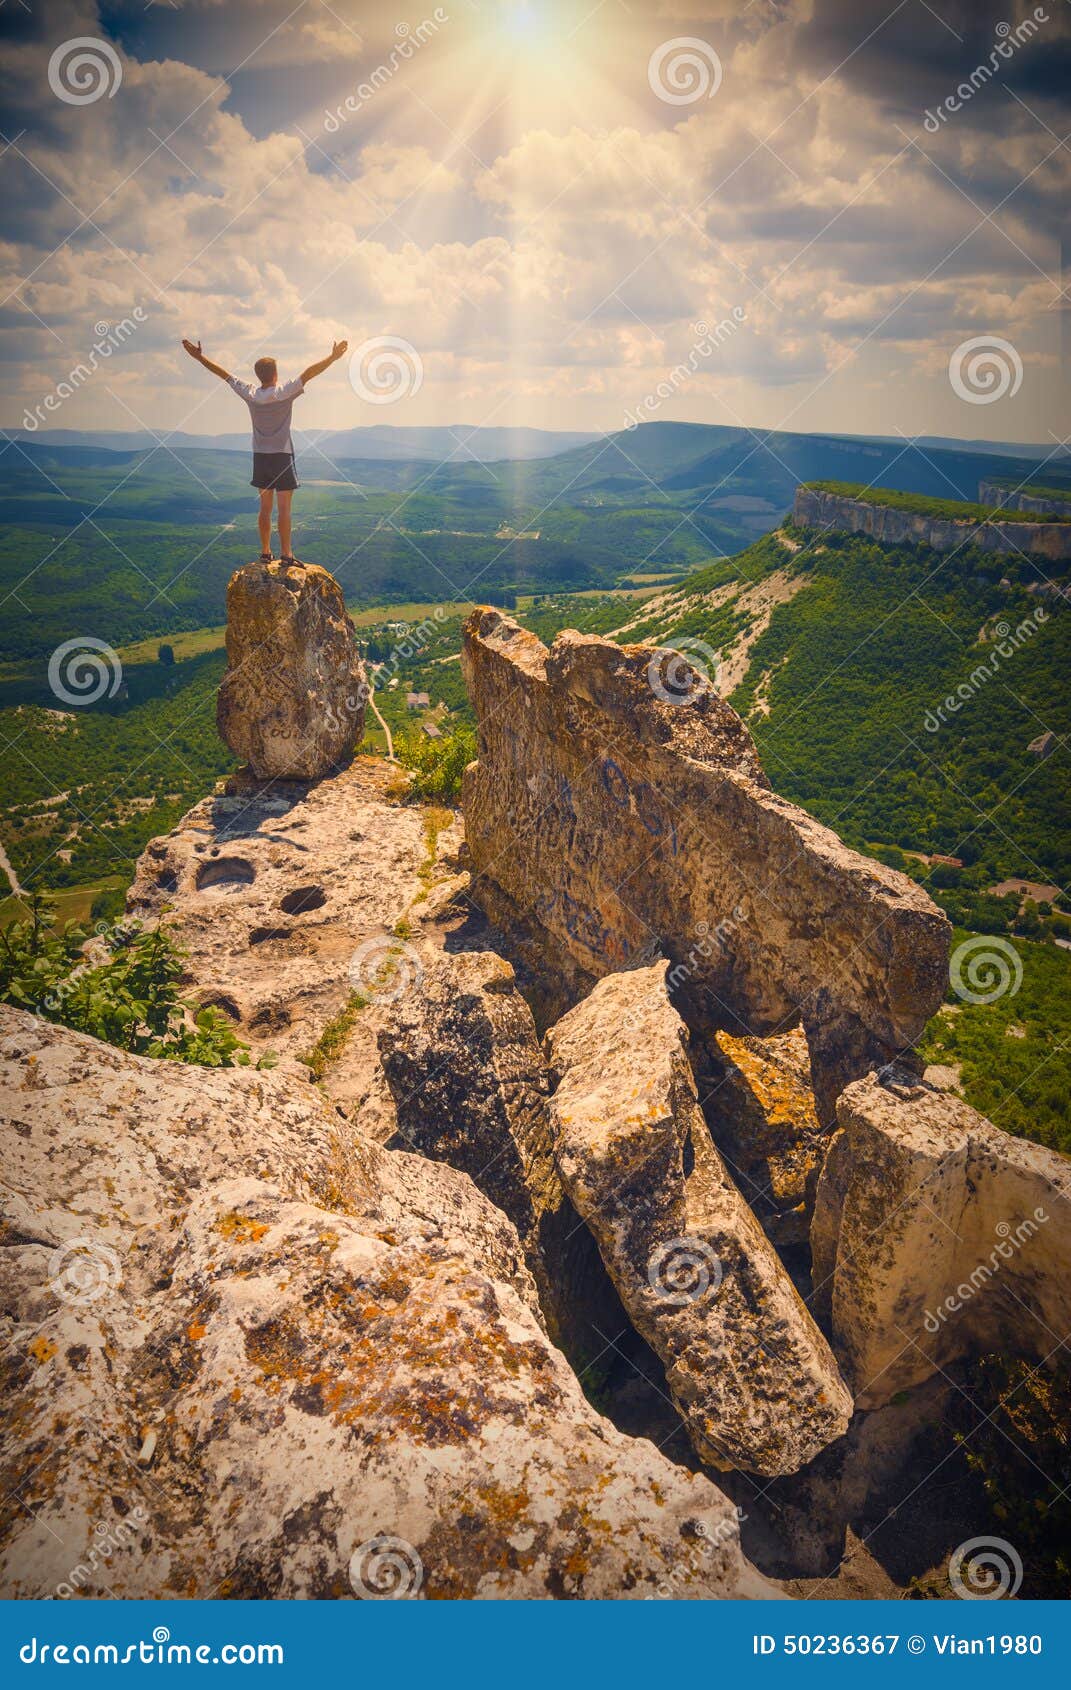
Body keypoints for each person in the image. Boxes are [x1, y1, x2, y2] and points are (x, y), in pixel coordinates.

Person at [181, 337, 348, 563]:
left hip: (260, 457)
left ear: (259, 375)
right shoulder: (284, 391)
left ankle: (265, 552)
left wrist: (200, 358)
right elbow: (309, 373)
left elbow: (225, 375)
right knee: (284, 509)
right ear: (275, 374)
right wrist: (333, 357)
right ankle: (287, 554)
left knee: (265, 508)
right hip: (282, 456)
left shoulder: (250, 393)